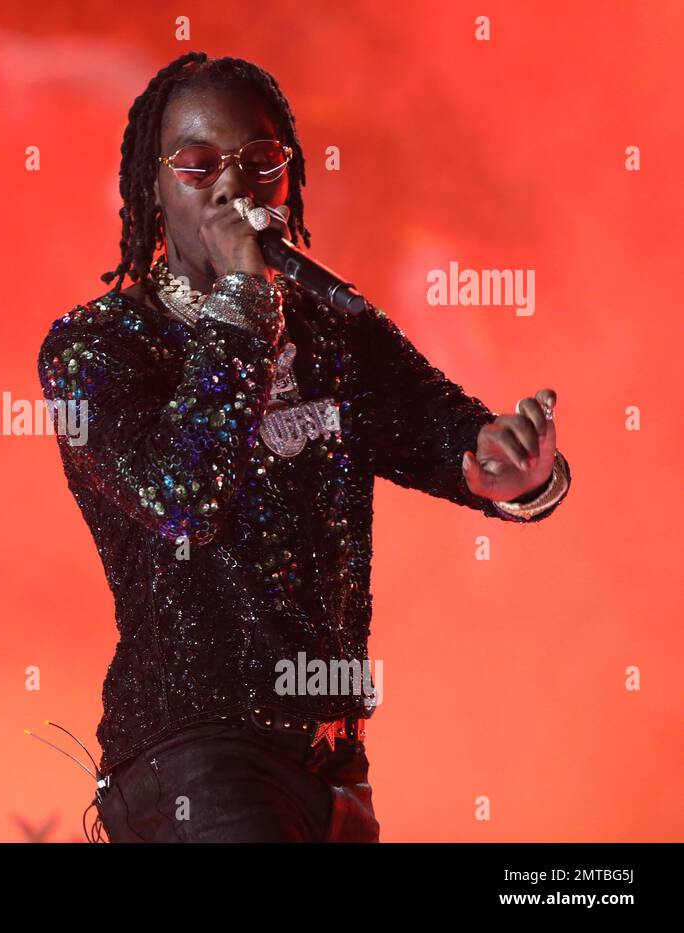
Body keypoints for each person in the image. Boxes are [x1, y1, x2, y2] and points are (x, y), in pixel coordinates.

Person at [36, 52, 571, 843]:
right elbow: (183, 497)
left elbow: (441, 428)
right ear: (151, 186)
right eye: (197, 163)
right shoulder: (98, 347)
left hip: (335, 768)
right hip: (196, 761)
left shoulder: (329, 330)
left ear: (289, 177)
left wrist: (511, 471)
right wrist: (243, 297)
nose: (232, 185)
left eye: (260, 161)